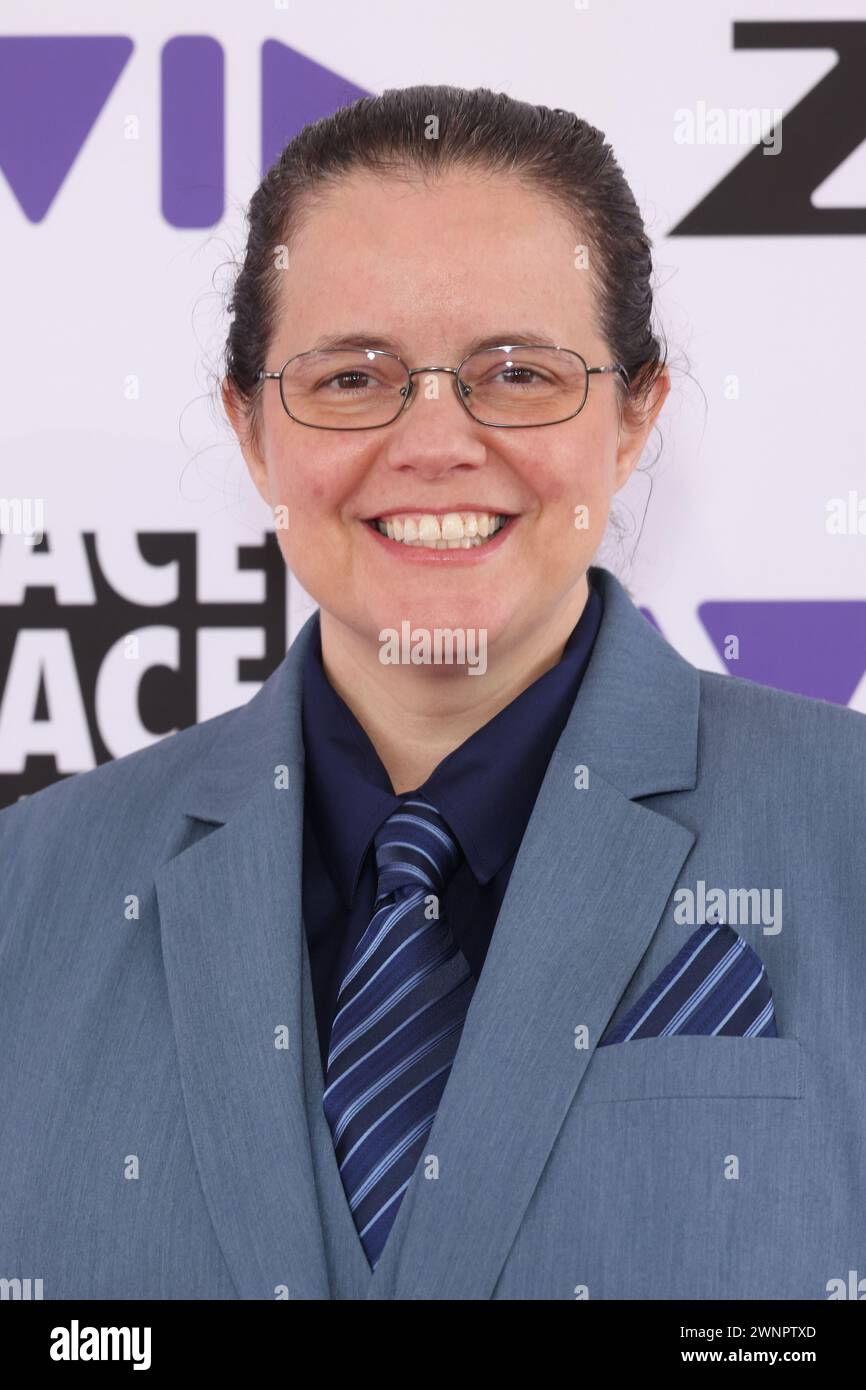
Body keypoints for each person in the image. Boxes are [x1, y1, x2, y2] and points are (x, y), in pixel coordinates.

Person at [1, 85, 864, 1302]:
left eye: (515, 373)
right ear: (250, 431)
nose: (434, 441)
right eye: (352, 379)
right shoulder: (27, 892)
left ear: (632, 420)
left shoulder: (845, 826)